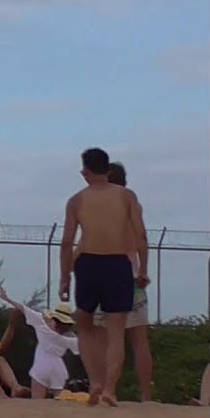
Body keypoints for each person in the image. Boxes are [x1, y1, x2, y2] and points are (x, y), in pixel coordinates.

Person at [59, 147, 148, 407]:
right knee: (116, 331)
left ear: (84, 172)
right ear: (108, 170)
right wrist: (142, 269)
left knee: (85, 327)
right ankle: (110, 388)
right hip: (118, 263)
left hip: (88, 263)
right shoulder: (126, 196)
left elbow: (66, 242)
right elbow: (141, 236)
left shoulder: (77, 200)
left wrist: (65, 277)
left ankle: (95, 381)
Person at [89, 161, 154, 402]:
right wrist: (144, 269)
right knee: (139, 340)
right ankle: (146, 396)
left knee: (104, 338)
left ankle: (105, 388)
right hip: (130, 273)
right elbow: (141, 238)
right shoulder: (131, 205)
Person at [0, 288, 79, 399]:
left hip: (41, 364)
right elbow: (83, 348)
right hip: (58, 367)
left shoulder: (43, 324)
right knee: (60, 400)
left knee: (36, 401)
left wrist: (8, 299)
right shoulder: (69, 337)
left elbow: (23, 308)